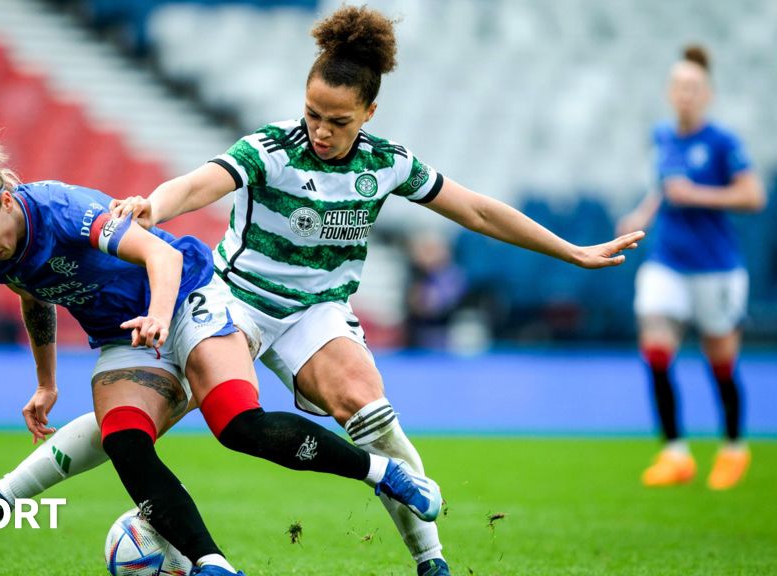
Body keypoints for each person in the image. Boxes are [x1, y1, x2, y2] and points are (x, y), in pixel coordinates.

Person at [107, 7, 643, 576]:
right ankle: (25, 484)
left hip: (315, 313)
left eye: (338, 120)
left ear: (368, 111)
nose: (321, 130)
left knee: (372, 415)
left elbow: (480, 212)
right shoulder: (270, 151)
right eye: (312, 114)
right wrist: (153, 205)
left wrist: (572, 251)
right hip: (236, 301)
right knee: (174, 415)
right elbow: (197, 184)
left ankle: (430, 561)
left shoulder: (386, 164)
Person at [0, 124, 442, 575]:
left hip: (189, 296)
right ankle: (211, 565)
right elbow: (35, 298)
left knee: (238, 424)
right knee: (124, 440)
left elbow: (161, 255)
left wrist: (156, 314)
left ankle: (382, 473)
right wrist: (46, 382)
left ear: (1, 202)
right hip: (125, 335)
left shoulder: (63, 211)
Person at [617, 45, 765, 490]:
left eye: (694, 88)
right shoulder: (662, 136)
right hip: (668, 262)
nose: (686, 94)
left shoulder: (723, 143)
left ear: (707, 94)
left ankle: (734, 448)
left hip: (715, 268)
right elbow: (663, 188)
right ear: (670, 92)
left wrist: (699, 195)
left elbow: (754, 197)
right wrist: (641, 215)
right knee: (656, 348)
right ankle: (675, 453)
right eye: (679, 87)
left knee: (720, 359)